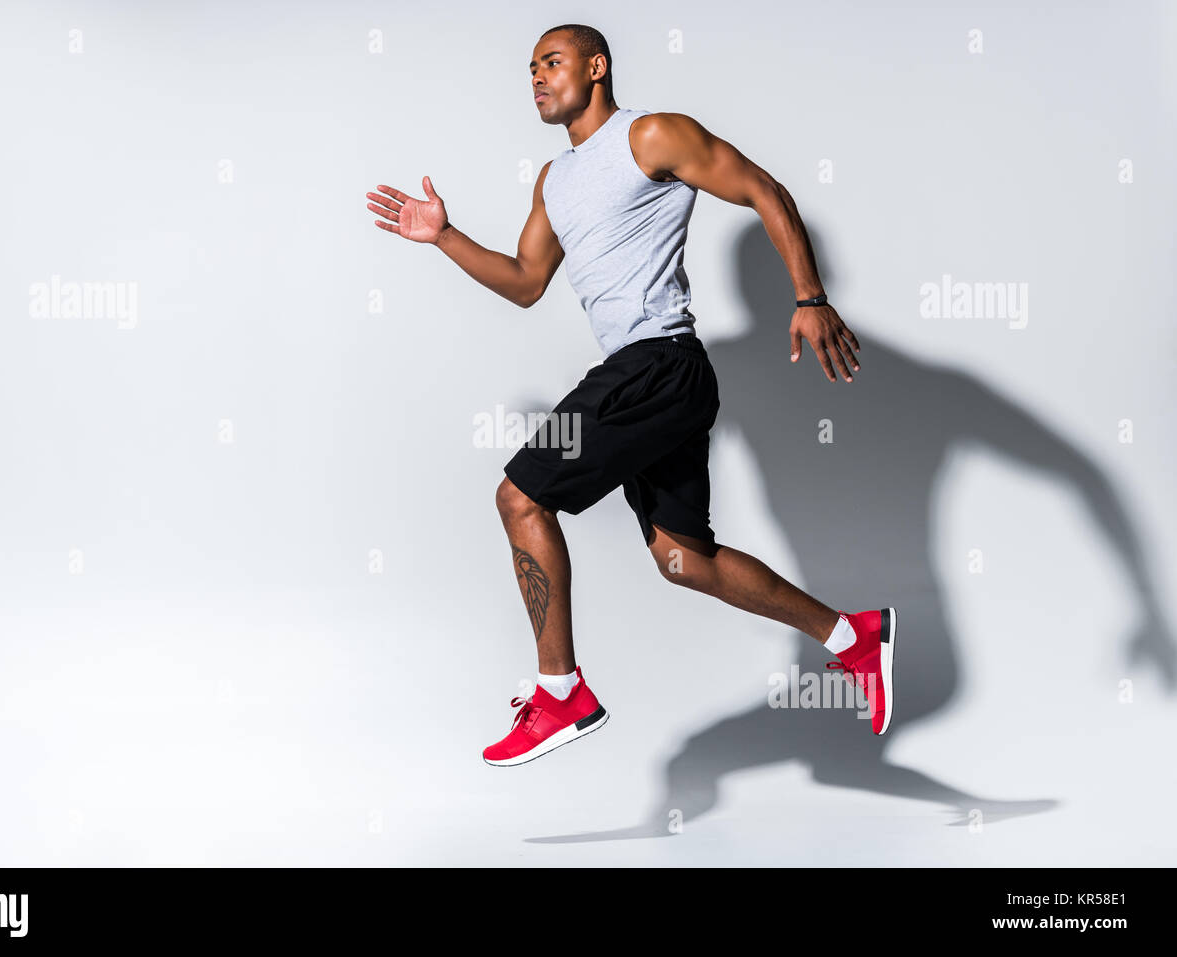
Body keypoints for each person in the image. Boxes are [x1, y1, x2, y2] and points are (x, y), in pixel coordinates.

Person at [365, 24, 895, 767]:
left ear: (596, 66)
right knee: (685, 560)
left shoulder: (651, 135)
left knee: (519, 497)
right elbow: (524, 281)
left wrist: (808, 295)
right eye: (530, 70)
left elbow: (762, 189)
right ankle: (853, 635)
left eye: (551, 63)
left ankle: (561, 693)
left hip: (658, 363)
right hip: (651, 376)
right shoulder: (556, 179)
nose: (538, 79)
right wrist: (446, 234)